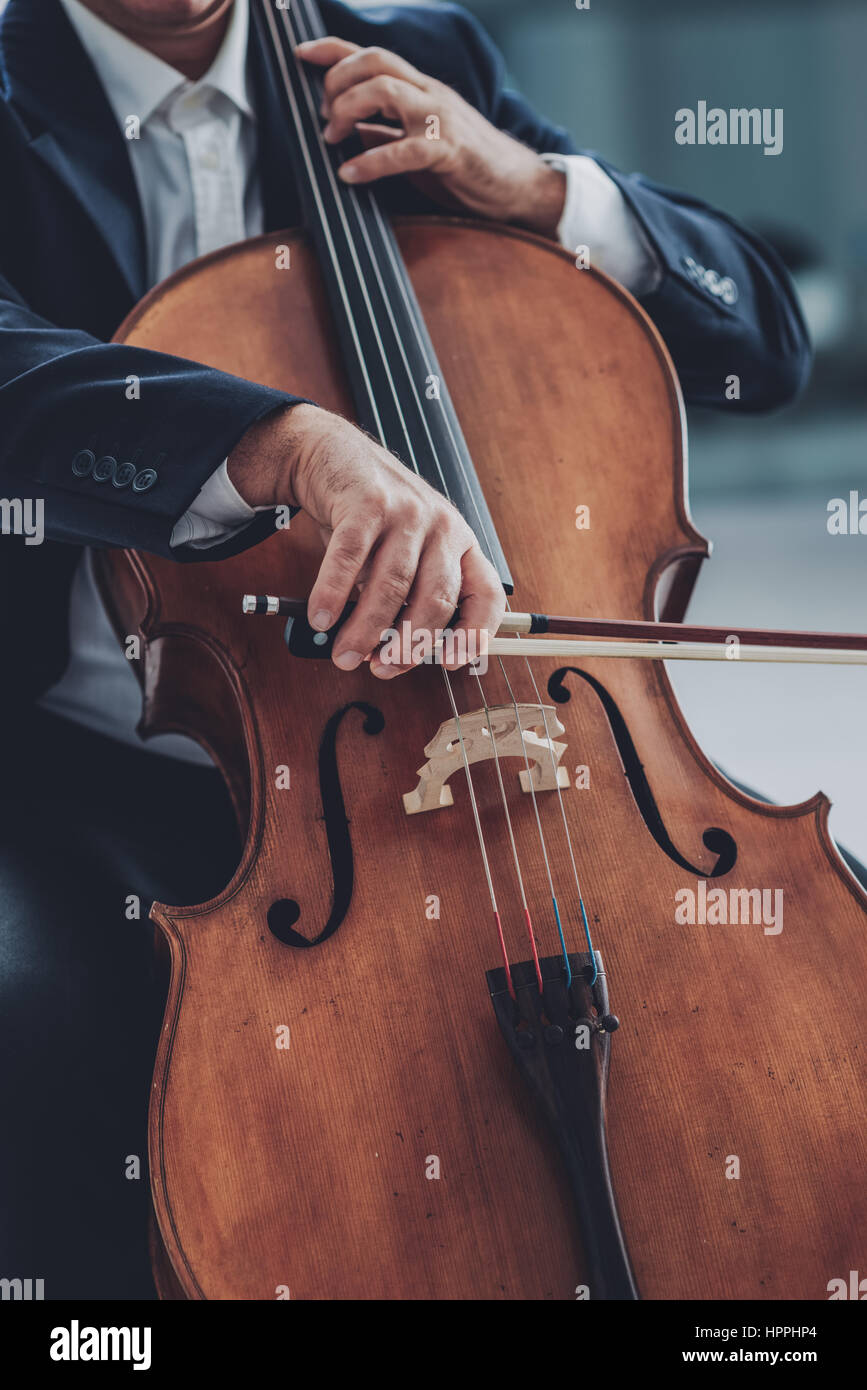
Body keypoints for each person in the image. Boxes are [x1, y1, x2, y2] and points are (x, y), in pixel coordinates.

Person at [0, 0, 810, 1298]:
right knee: (26, 1015)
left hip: (520, 765)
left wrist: (538, 188)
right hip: (97, 771)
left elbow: (762, 342)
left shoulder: (417, 59)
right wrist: (289, 443)